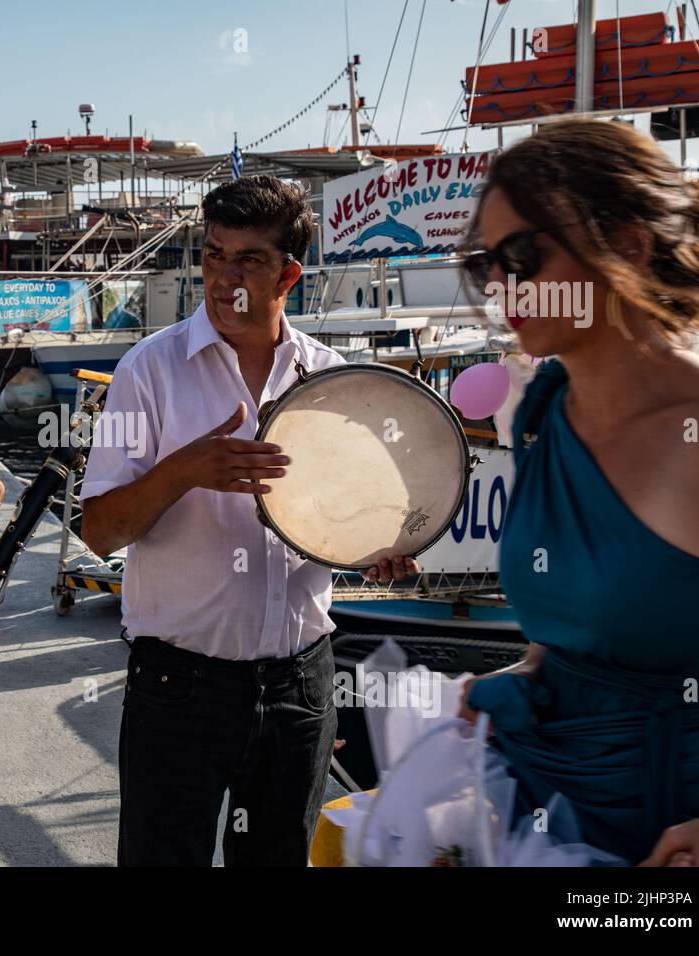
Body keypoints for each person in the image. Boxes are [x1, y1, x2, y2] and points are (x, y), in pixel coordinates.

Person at [79, 175, 416, 867]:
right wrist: (185, 470)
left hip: (301, 682)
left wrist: (376, 550)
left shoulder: (331, 379)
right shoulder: (150, 370)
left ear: (290, 273)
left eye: (249, 260)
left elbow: (343, 522)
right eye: (212, 255)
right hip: (178, 687)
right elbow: (100, 531)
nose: (223, 277)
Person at [458, 118, 699, 864]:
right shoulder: (544, 416)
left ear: (627, 243)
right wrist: (519, 677)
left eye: (522, 254)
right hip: (539, 822)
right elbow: (590, 637)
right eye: (486, 263)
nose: (499, 285)